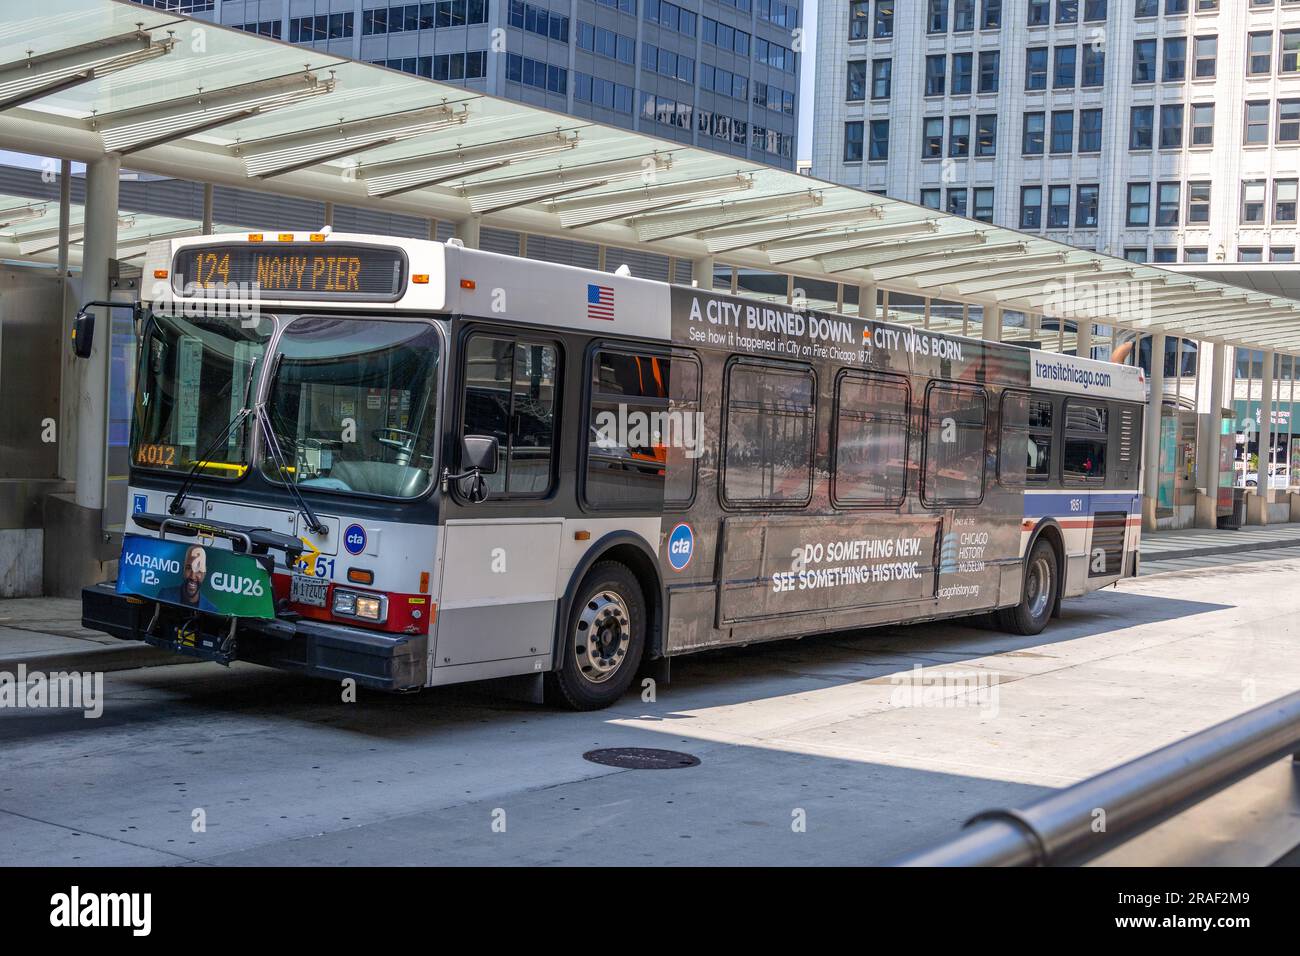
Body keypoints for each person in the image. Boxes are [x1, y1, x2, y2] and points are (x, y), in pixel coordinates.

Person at [159, 545, 218, 612]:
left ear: (204, 573)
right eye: (189, 568)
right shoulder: (165, 596)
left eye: (198, 570)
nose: (192, 576)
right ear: (183, 568)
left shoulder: (211, 610)